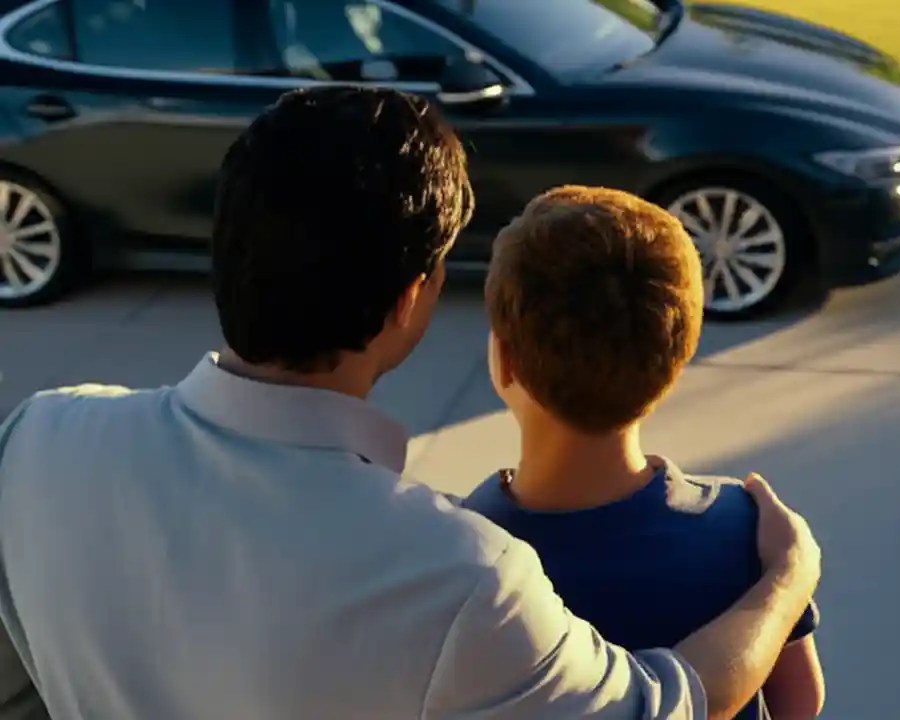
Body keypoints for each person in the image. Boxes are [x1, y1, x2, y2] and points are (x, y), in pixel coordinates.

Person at [0, 88, 820, 720]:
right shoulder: (462, 581)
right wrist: (786, 582)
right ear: (410, 299)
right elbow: (666, 703)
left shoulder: (37, 440)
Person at [464, 187, 825, 719]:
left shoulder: (465, 548)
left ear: (505, 361)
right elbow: (800, 701)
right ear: (674, 360)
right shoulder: (743, 527)